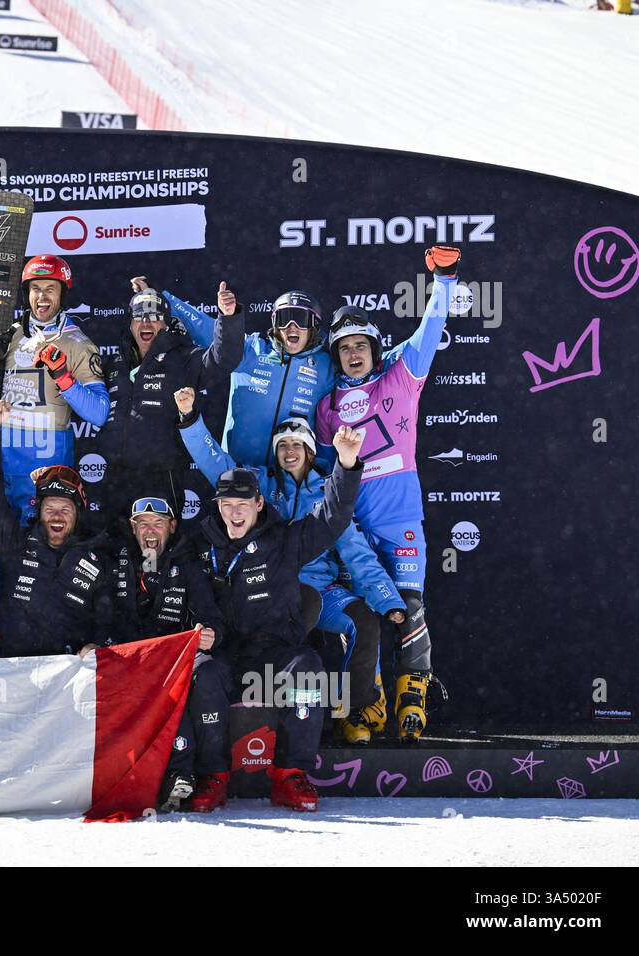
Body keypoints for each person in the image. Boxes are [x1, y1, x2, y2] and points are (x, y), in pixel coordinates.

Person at [175, 393, 406, 744]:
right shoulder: (260, 485)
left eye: (297, 444)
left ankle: (353, 709)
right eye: (283, 445)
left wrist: (387, 598)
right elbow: (215, 463)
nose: (289, 451)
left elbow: (353, 547)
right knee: (299, 615)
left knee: (360, 620)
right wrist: (191, 420)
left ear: (310, 450)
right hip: (269, 586)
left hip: (317, 588)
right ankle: (279, 707)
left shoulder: (326, 492)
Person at [315, 246, 462, 742]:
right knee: (366, 610)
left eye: (361, 345)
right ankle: (368, 702)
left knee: (411, 607)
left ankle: (412, 697)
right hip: (351, 526)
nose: (353, 354)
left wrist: (443, 279)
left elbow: (428, 329)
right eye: (344, 348)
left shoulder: (402, 375)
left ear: (375, 349)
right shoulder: (326, 406)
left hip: (398, 517)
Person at [192, 426, 366, 812]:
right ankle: (213, 778)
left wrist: (346, 464)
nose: (233, 513)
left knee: (308, 668)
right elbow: (204, 608)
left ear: (257, 504)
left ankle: (290, 776)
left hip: (275, 655)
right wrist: (209, 634)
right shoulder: (201, 549)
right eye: (226, 505)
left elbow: (332, 519)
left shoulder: (284, 540)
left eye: (241, 504)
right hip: (227, 655)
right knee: (202, 672)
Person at [93, 497, 231, 813]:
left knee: (207, 672)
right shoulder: (117, 561)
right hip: (131, 660)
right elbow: (101, 618)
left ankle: (205, 774)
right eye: (143, 523)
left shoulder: (188, 565)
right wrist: (96, 644)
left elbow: (212, 617)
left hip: (175, 661)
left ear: (172, 526)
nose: (150, 531)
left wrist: (210, 634)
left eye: (157, 523)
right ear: (133, 528)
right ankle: (157, 776)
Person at [91, 276, 244, 528]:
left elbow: (223, 360)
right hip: (117, 475)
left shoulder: (183, 358)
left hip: (162, 476)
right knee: (114, 546)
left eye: (154, 317)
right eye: (139, 316)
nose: (146, 322)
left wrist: (228, 318)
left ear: (166, 324)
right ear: (130, 324)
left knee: (158, 549)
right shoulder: (116, 362)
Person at [0, 399, 110, 657]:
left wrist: (99, 645)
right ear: (38, 512)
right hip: (13, 669)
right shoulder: (15, 544)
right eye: (49, 509)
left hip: (67, 675)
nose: (56, 516)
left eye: (65, 509)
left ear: (78, 515)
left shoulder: (98, 559)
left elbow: (112, 620)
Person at [164, 283, 334, 470]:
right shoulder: (250, 350)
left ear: (314, 326)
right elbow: (201, 324)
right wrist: (162, 298)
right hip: (238, 476)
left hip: (292, 483)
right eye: (284, 318)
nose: (291, 327)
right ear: (275, 324)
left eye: (301, 319)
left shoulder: (327, 367)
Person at [0, 255, 110, 517]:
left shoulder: (77, 343)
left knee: (39, 541)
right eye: (36, 289)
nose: (42, 297)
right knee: (0, 542)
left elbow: (99, 413)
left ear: (63, 294)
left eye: (50, 289)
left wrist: (63, 377)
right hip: (2, 455)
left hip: (46, 458)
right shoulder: (7, 336)